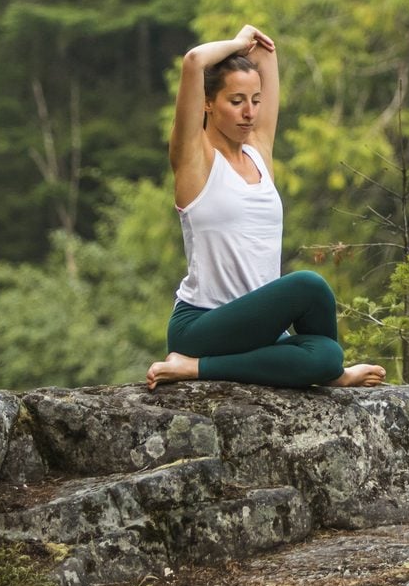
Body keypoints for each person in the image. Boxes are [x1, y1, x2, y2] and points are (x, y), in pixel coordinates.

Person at [145, 26, 386, 392]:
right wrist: (238, 44)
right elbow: (194, 62)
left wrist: (256, 48)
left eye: (255, 101)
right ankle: (193, 365)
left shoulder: (259, 152)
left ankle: (329, 375)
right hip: (202, 325)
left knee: (326, 356)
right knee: (309, 286)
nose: (249, 112)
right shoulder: (194, 161)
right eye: (236, 100)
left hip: (258, 332)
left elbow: (267, 56)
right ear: (208, 103)